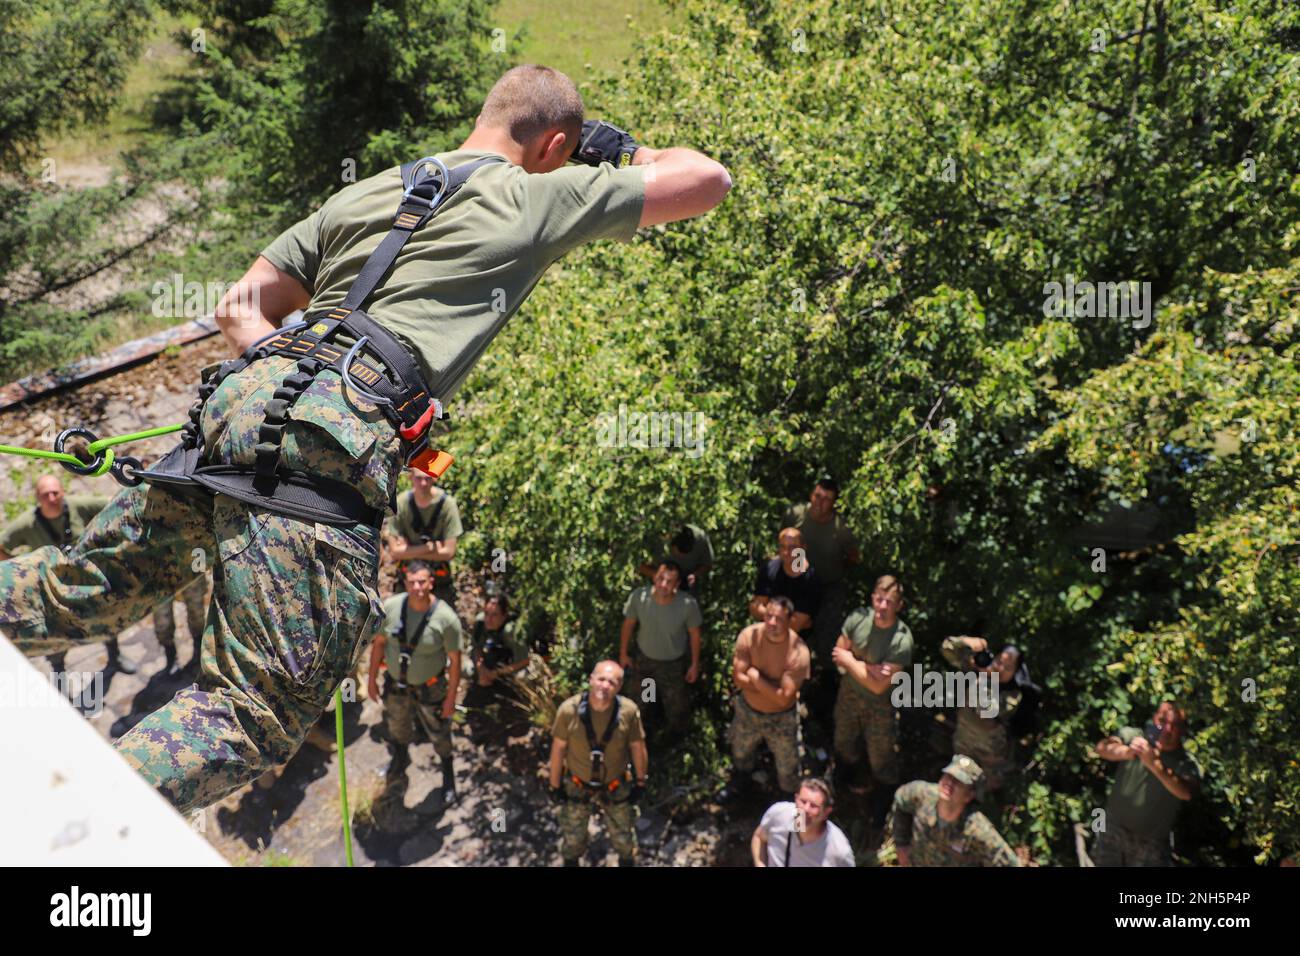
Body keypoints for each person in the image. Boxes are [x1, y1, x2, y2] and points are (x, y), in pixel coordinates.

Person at [0, 63, 730, 814]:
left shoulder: (373, 187)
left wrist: (284, 379)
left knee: (83, 589)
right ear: (552, 144)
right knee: (257, 712)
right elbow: (707, 180)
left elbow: (239, 308)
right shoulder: (539, 192)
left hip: (246, 396)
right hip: (333, 438)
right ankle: (55, 822)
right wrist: (623, 150)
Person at [0, 476, 135, 674]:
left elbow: (116, 504)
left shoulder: (76, 506)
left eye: (56, 492)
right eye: (46, 494)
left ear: (63, 491)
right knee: (53, 637)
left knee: (105, 619)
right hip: (51, 589)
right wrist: (22, 565)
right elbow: (2, 545)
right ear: (38, 497)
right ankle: (60, 676)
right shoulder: (28, 523)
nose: (52, 497)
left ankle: (115, 657)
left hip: (85, 581)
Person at [366, 560, 464, 807]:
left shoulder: (446, 618)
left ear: (431, 582)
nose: (417, 587)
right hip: (397, 684)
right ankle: (400, 762)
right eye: (412, 582)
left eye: (422, 581)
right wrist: (371, 679)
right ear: (405, 583)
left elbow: (455, 662)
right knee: (397, 726)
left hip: (431, 686)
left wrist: (451, 698)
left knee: (439, 731)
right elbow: (379, 645)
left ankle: (448, 774)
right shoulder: (391, 607)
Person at [830, 575, 912, 839]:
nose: (882, 605)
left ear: (899, 605)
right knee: (843, 742)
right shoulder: (858, 618)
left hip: (880, 708)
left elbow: (878, 687)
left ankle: (881, 804)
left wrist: (853, 661)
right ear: (872, 597)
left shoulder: (901, 640)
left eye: (890, 601)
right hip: (848, 698)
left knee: (882, 758)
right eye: (879, 598)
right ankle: (843, 783)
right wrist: (869, 670)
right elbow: (837, 656)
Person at [549, 660, 648, 866]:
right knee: (573, 835)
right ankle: (571, 860)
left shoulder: (628, 712)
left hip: (615, 782)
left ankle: (627, 859)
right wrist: (554, 784)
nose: (605, 685)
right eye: (601, 679)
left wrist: (640, 781)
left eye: (612, 682)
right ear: (591, 680)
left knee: (623, 833)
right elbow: (558, 749)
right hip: (577, 782)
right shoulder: (569, 711)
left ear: (619, 687)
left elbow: (637, 747)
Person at [782, 477, 859, 721]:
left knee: (827, 641)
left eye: (826, 499)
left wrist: (832, 570)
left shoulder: (841, 528)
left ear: (834, 503)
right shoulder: (795, 514)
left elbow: (853, 557)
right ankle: (792, 690)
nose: (819, 503)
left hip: (829, 587)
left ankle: (825, 695)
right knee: (795, 636)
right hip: (799, 584)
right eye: (817, 496)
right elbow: (784, 542)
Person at [1093, 701, 1201, 867]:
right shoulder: (1134, 736)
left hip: (1151, 844)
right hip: (1113, 831)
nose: (1167, 730)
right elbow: (1101, 747)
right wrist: (1128, 752)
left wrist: (1154, 764)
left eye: (1175, 725)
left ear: (1183, 730)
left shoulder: (1186, 763)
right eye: (1163, 721)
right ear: (1154, 718)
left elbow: (1186, 793)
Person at [722, 596, 809, 799]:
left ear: (790, 621)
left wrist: (756, 677)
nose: (771, 623)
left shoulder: (798, 651)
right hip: (748, 711)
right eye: (768, 616)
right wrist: (771, 688)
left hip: (782, 718)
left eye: (778, 619)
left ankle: (787, 799)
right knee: (741, 752)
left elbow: (784, 699)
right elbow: (738, 678)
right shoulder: (749, 636)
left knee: (788, 766)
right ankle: (742, 784)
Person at [940, 636, 1039, 796]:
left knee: (980, 797)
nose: (1000, 668)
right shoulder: (979, 673)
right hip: (961, 750)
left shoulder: (1012, 696)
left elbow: (985, 708)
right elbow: (947, 648)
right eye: (999, 661)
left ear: (1014, 673)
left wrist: (982, 678)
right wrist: (967, 642)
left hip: (989, 767)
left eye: (1007, 667)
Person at [618, 559, 702, 741]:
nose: (663, 584)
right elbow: (628, 625)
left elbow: (695, 635)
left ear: (677, 585)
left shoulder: (687, 605)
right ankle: (643, 734)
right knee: (645, 700)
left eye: (669, 581)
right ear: (654, 577)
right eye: (660, 578)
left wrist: (694, 664)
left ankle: (676, 741)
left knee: (676, 707)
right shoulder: (640, 598)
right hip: (646, 662)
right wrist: (623, 654)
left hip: (673, 664)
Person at [892, 755, 1020, 867]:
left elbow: (1008, 863)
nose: (949, 783)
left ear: (969, 795)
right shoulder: (921, 794)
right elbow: (900, 801)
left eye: (958, 781)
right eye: (948, 775)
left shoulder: (977, 829)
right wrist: (901, 844)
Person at [384, 469, 462, 604]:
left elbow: (449, 552)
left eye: (428, 478)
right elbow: (395, 552)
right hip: (407, 581)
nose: (423, 483)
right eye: (419, 478)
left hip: (439, 582)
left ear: (435, 478)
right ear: (411, 477)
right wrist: (430, 548)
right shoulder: (401, 503)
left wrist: (408, 551)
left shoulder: (447, 505)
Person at [751, 778, 855, 867]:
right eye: (803, 801)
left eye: (813, 806)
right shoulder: (779, 816)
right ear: (796, 799)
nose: (805, 809)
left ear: (826, 812)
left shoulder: (838, 850)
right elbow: (759, 837)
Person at [749, 528, 821, 635]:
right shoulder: (769, 569)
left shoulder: (810, 580)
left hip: (799, 640)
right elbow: (754, 609)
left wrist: (768, 614)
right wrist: (781, 617)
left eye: (792, 548)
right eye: (782, 546)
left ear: (803, 548)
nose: (786, 552)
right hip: (767, 635)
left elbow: (795, 625)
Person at [154, 576, 210, 677]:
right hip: (159, 571)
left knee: (196, 614)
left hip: (189, 567)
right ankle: (171, 661)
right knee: (162, 621)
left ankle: (199, 658)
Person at [638, 523, 714, 595]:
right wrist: (656, 575)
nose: (681, 556)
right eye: (679, 552)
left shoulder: (700, 538)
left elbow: (707, 564)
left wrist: (694, 575)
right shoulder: (656, 536)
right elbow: (638, 564)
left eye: (686, 553)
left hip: (686, 588)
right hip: (654, 585)